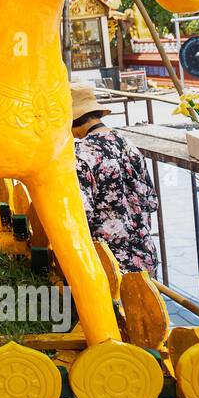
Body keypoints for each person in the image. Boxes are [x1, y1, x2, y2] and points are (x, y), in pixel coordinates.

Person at [70, 83, 159, 274]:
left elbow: (81, 214)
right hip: (145, 255)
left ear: (72, 119)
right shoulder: (127, 143)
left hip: (110, 265)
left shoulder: (80, 155)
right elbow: (151, 201)